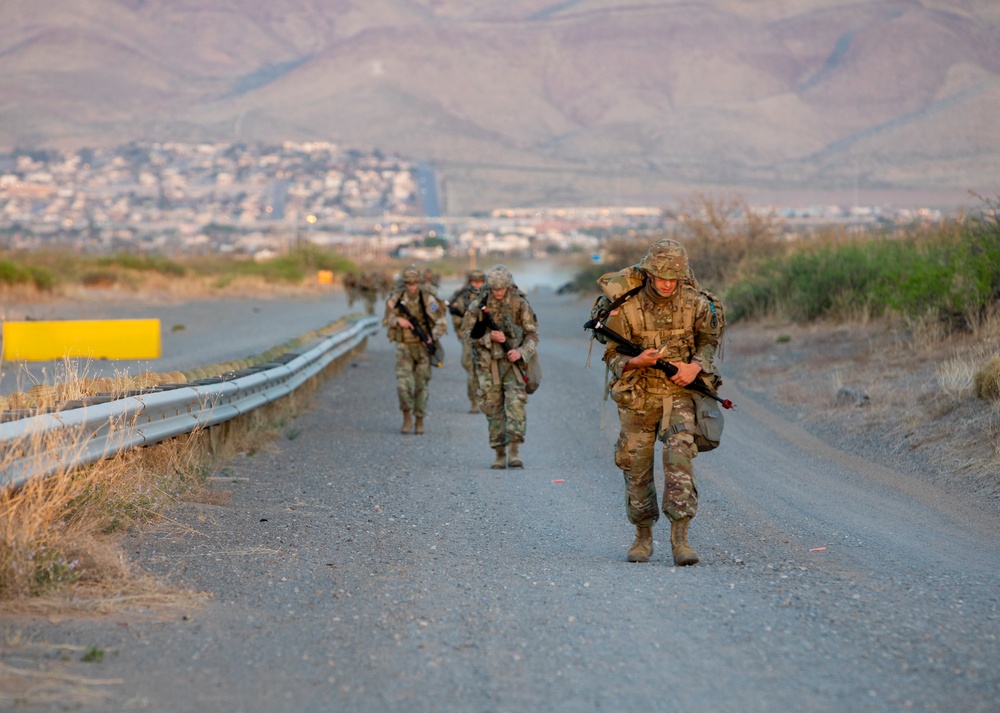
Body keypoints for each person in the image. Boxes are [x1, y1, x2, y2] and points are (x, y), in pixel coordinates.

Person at [596, 239, 723, 566]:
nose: (667, 284)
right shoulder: (627, 307)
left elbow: (709, 343)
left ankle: (680, 538)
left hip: (678, 394)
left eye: (674, 278)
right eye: (661, 277)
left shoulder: (695, 303)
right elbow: (611, 353)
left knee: (678, 456)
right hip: (638, 395)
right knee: (635, 467)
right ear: (649, 274)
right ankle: (642, 536)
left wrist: (695, 366)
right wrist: (635, 361)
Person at [461, 265, 538, 469]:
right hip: (488, 365)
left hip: (513, 365)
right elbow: (466, 336)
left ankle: (514, 451)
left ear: (508, 286)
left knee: (515, 405)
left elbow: (532, 335)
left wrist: (521, 352)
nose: (497, 293)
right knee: (492, 408)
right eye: (494, 289)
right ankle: (499, 452)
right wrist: (488, 337)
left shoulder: (520, 304)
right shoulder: (478, 305)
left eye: (501, 289)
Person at [383, 265, 448, 434]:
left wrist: (431, 337)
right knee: (403, 385)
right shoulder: (396, 298)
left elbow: (441, 323)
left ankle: (419, 419)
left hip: (422, 348)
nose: (411, 287)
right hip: (403, 346)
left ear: (419, 283)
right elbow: (386, 320)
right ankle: (406, 416)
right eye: (408, 284)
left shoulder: (427, 299)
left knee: (421, 386)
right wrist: (398, 320)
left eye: (414, 283)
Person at [447, 268, 487, 413]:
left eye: (480, 281)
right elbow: (454, 314)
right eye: (474, 282)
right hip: (470, 337)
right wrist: (460, 332)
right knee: (470, 368)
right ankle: (474, 400)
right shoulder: (462, 295)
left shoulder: (490, 295)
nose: (477, 285)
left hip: (488, 338)